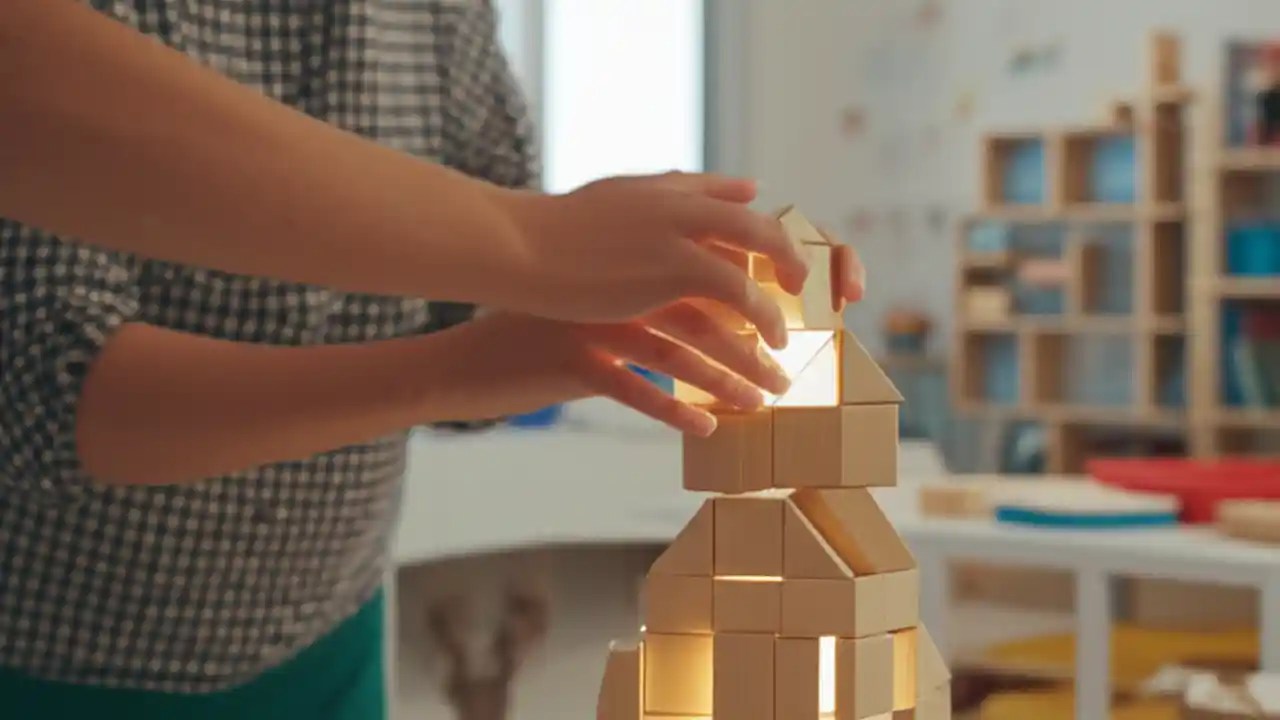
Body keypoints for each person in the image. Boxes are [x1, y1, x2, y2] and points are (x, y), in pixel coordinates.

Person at [0, 1, 868, 718]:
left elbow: (489, 291)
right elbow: (57, 397)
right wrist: (496, 306)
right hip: (54, 657)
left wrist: (644, 285)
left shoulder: (435, 17)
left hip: (325, 635)